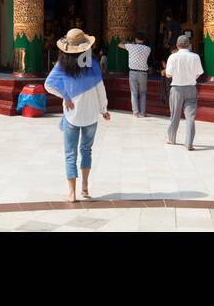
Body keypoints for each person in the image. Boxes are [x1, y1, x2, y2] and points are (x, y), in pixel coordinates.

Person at [42, 28, 110, 203]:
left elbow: (48, 85)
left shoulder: (62, 64)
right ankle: (85, 187)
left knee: (70, 153)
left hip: (72, 115)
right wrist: (104, 110)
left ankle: (71, 193)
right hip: (91, 116)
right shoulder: (92, 65)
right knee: (86, 150)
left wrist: (66, 96)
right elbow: (100, 89)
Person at [164, 34, 203, 150]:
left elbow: (168, 74)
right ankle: (189, 143)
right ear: (189, 45)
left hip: (177, 88)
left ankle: (171, 138)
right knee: (190, 117)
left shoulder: (173, 57)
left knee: (175, 115)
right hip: (191, 88)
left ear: (177, 45)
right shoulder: (195, 56)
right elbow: (199, 73)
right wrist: (191, 78)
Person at [119, 32, 152, 118]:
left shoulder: (131, 46)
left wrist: (126, 41)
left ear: (136, 39)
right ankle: (143, 112)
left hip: (133, 72)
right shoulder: (148, 49)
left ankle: (135, 113)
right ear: (143, 40)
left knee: (134, 92)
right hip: (143, 73)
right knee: (143, 93)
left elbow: (120, 45)